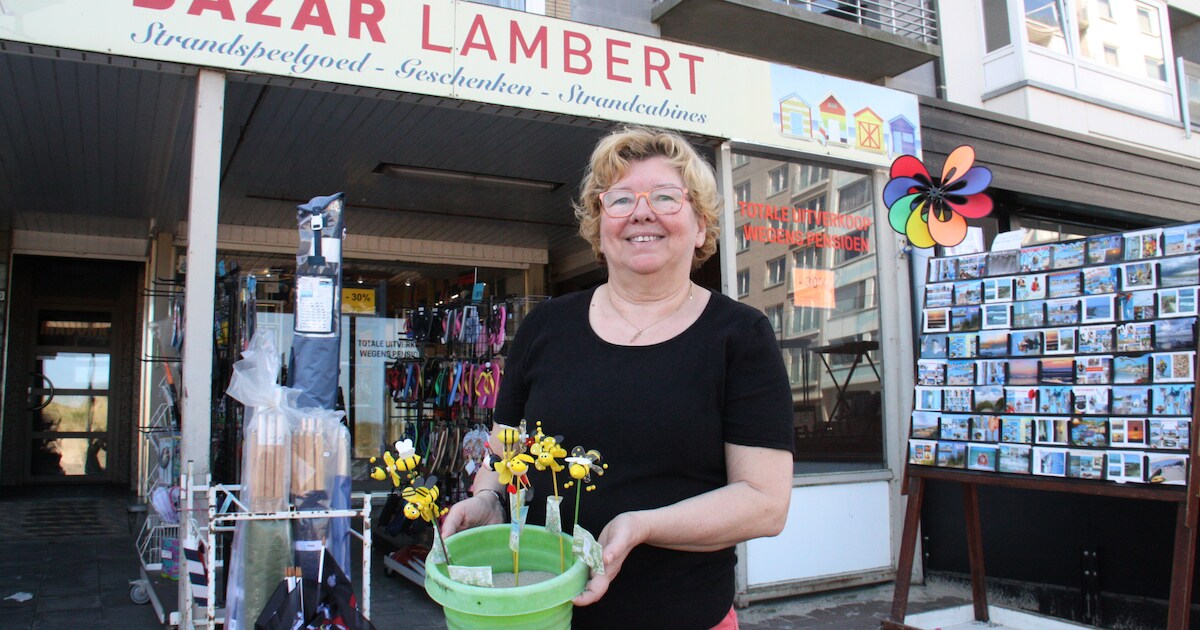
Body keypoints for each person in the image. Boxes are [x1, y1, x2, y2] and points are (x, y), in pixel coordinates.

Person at [441, 125, 794, 629]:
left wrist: (645, 526)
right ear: (599, 226)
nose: (641, 212)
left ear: (700, 226)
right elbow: (504, 459)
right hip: (540, 615)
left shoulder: (739, 336)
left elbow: (764, 503)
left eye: (667, 198)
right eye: (622, 199)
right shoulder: (545, 327)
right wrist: (489, 502)